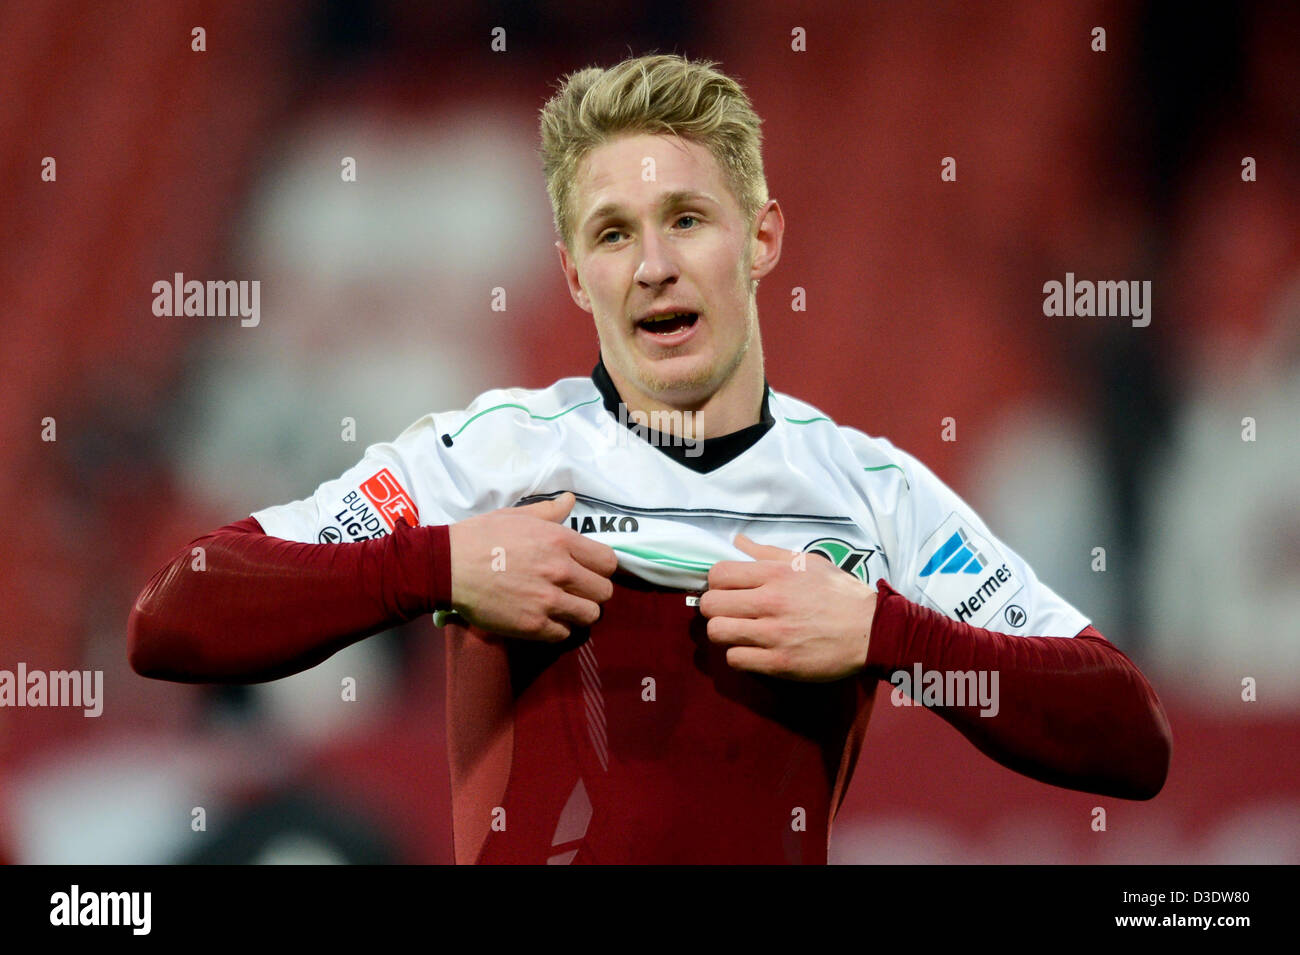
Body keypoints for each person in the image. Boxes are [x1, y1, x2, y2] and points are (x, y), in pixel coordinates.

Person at [129, 53, 1171, 864]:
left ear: (760, 239)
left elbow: (1127, 735)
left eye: (685, 219)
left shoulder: (872, 493)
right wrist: (436, 566)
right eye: (613, 233)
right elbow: (177, 617)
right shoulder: (491, 457)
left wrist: (887, 632)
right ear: (575, 275)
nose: (655, 266)